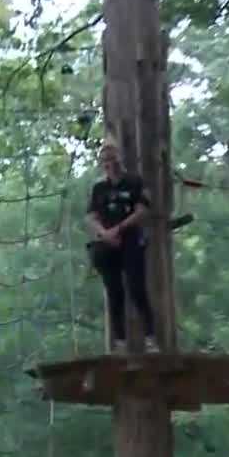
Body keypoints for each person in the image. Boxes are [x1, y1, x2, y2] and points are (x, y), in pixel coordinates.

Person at [85, 142, 158, 353]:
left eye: (113, 160)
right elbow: (91, 216)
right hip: (107, 243)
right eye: (105, 161)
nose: (110, 165)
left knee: (137, 288)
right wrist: (104, 233)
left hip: (131, 240)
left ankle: (151, 337)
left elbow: (142, 211)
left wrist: (118, 229)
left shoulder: (135, 182)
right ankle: (119, 342)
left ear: (120, 160)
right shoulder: (99, 188)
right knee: (114, 292)